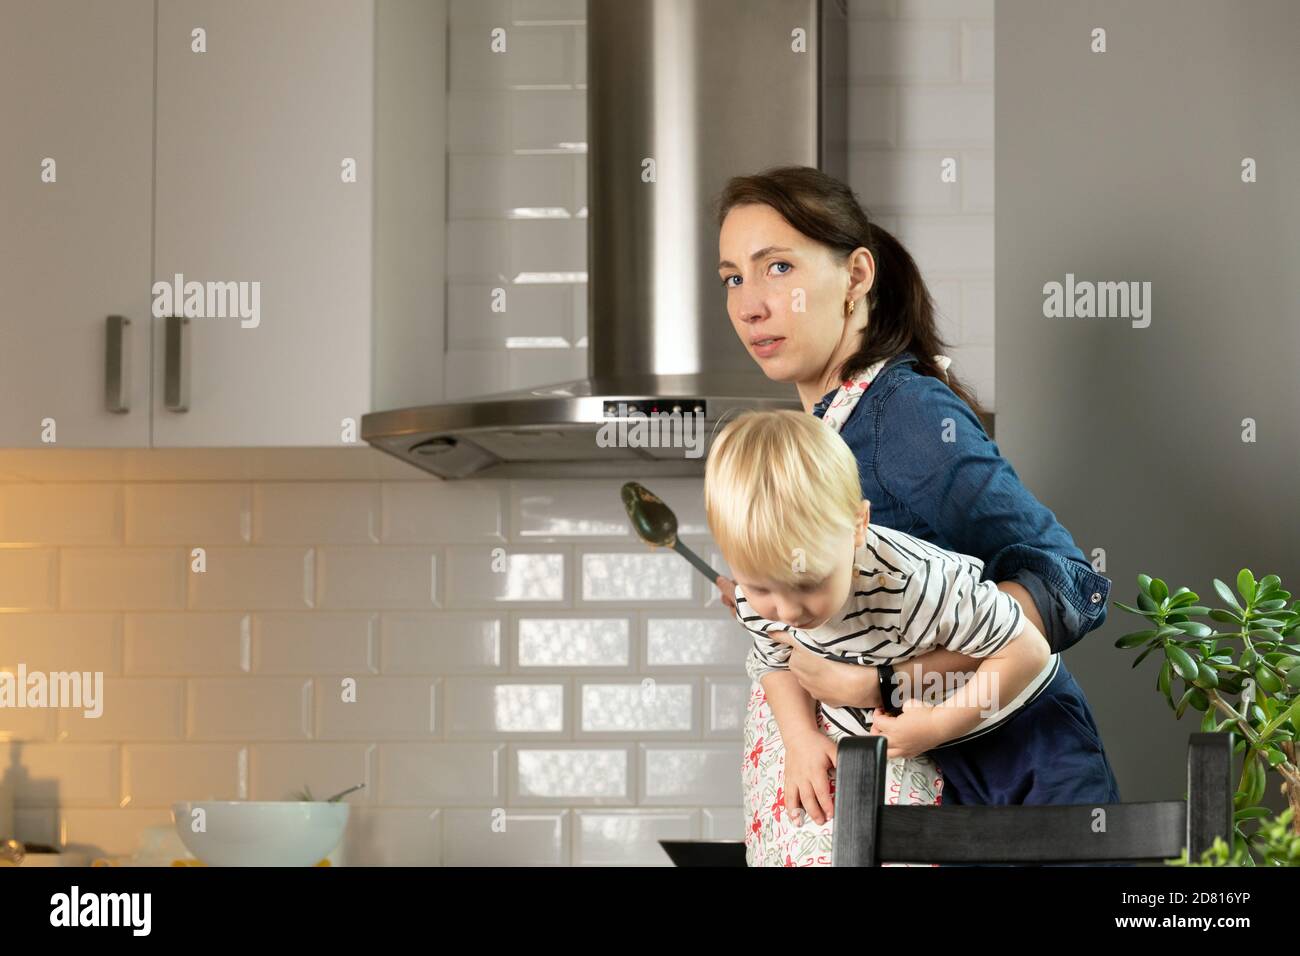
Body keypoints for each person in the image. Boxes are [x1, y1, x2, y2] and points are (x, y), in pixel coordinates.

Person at [712, 165, 1121, 853]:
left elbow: (1073, 587)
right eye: (732, 278)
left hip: (1019, 776)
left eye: (778, 267)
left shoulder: (903, 415)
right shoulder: (824, 433)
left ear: (856, 275)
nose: (750, 305)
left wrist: (881, 682)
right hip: (947, 787)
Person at [707, 409, 1113, 866]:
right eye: (762, 589)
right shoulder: (754, 594)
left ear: (858, 527)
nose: (788, 612)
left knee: (1079, 852)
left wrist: (939, 724)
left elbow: (1028, 649)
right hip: (943, 749)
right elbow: (775, 660)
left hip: (1024, 721)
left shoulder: (910, 585)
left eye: (809, 583)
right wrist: (800, 737)